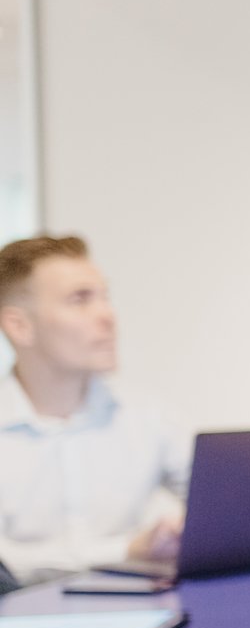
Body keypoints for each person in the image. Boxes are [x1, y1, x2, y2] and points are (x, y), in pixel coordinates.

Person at [0, 235, 189, 583]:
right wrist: (126, 550)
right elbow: (5, 562)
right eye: (80, 300)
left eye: (105, 297)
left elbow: (219, 504)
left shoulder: (147, 414)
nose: (107, 315)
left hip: (139, 619)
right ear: (19, 326)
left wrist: (190, 530)